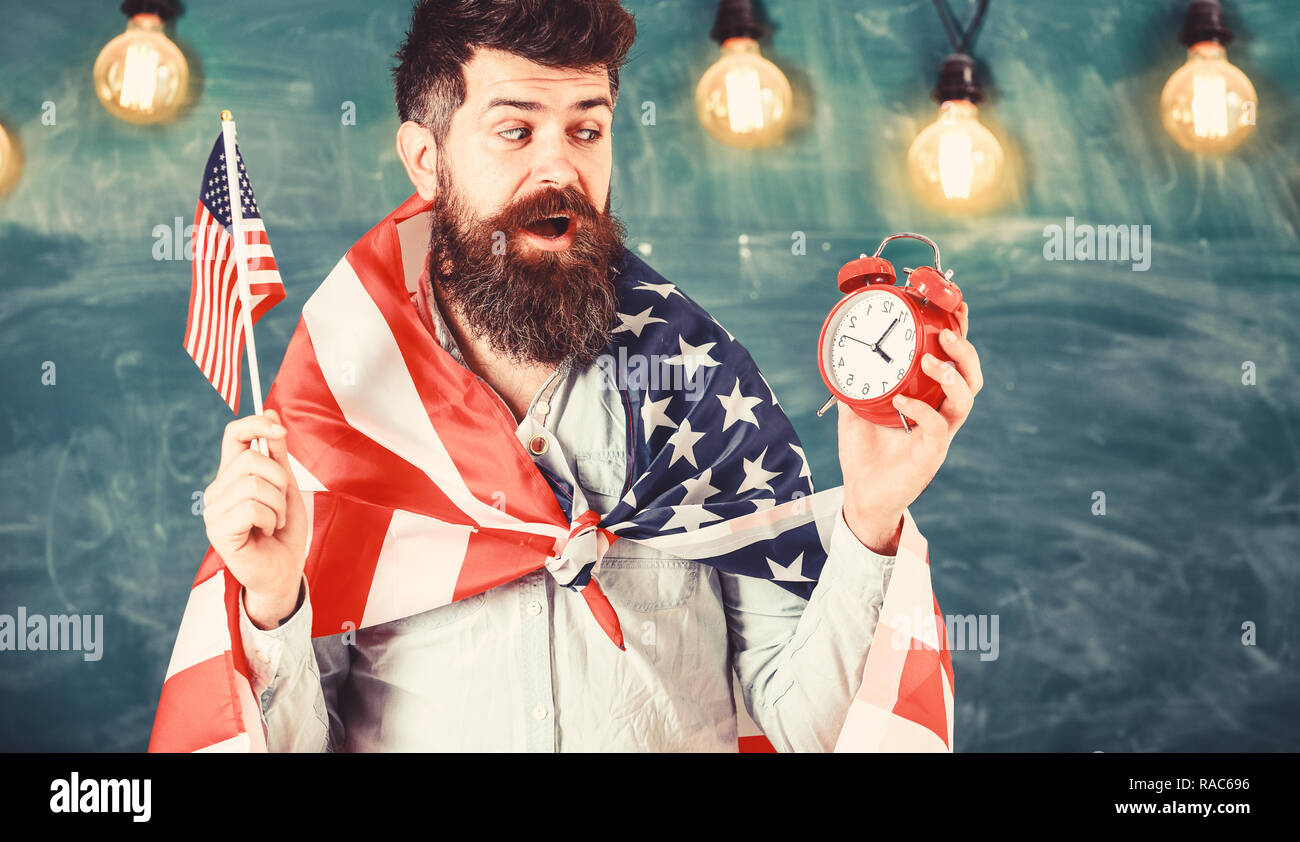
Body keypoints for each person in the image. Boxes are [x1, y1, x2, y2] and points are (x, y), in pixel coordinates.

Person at [196, 0, 983, 752]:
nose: (559, 167)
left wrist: (871, 520)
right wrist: (272, 604)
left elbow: (818, 736)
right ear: (425, 159)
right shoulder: (345, 407)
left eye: (586, 129)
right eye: (515, 129)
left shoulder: (705, 398)